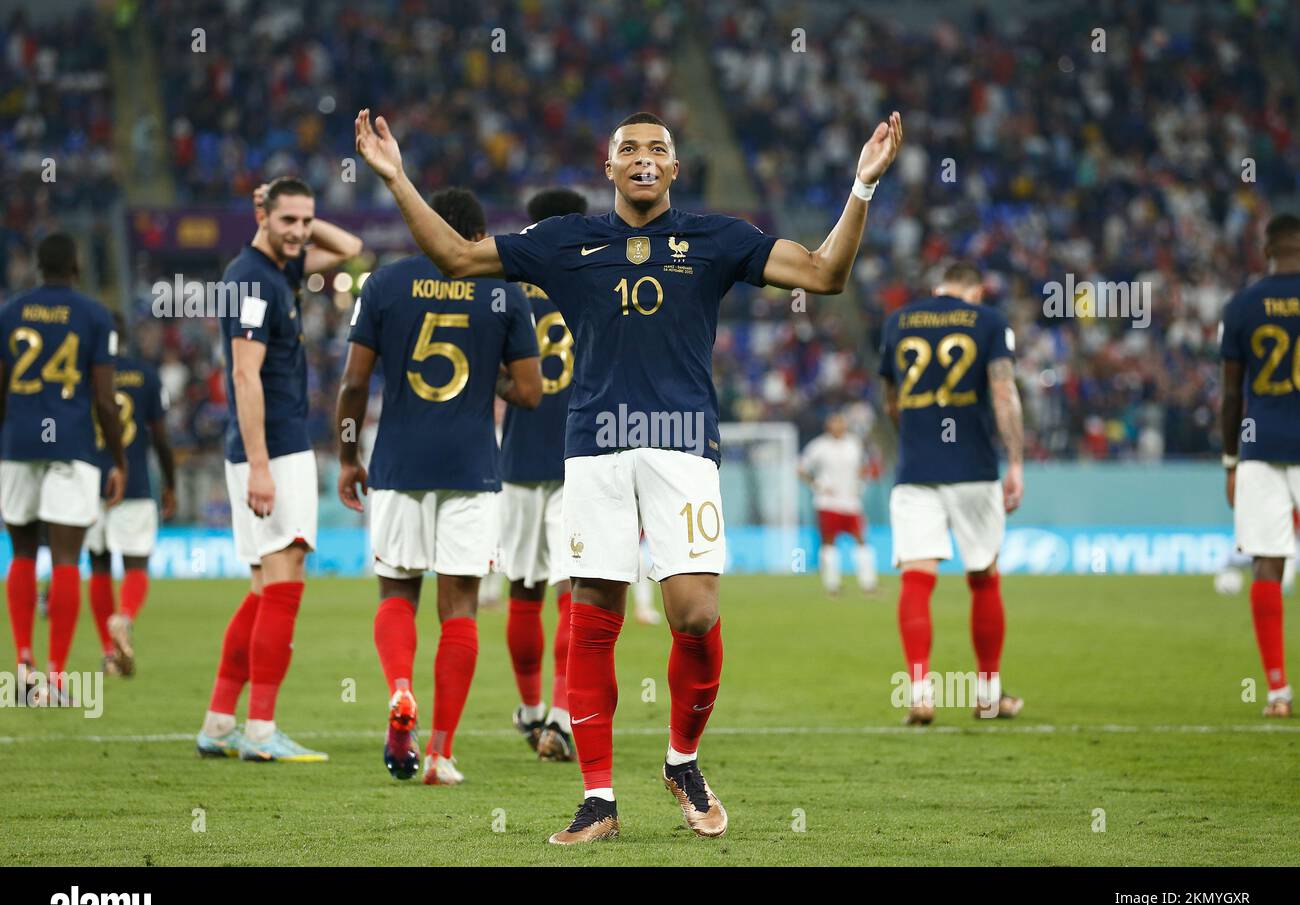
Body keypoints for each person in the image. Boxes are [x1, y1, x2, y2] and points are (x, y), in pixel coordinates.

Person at [355, 104, 902, 842]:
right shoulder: (565, 242)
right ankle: (598, 798)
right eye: (629, 148)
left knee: (696, 614)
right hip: (594, 450)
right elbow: (457, 258)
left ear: (675, 168)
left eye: (658, 148)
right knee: (593, 620)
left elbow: (825, 273)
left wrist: (862, 186)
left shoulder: (716, 238)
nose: (644, 156)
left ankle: (682, 760)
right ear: (608, 168)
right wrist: (395, 176)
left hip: (683, 450)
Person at [336, 187, 541, 784]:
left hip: (398, 462)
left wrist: (348, 454)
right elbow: (529, 391)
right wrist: (487, 382)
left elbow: (352, 385)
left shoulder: (383, 285)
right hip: (472, 466)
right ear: (478, 239)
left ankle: (401, 691)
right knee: (460, 610)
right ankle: (442, 754)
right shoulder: (503, 291)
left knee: (396, 591)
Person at [195, 177, 362, 761]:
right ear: (259, 214)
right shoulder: (250, 280)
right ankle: (261, 732)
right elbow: (243, 375)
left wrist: (296, 224)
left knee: (264, 587)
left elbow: (348, 245)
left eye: (304, 220)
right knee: (284, 582)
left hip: (270, 446)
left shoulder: (279, 269)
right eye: (286, 220)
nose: (298, 231)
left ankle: (219, 724)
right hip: (272, 449)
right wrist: (261, 466)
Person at [878, 262, 1025, 726]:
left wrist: (917, 438)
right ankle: (987, 695)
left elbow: (891, 400)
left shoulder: (898, 321)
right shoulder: (989, 322)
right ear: (975, 291)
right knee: (983, 573)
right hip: (974, 468)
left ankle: (920, 692)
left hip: (917, 469)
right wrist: (1016, 461)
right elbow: (1003, 393)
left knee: (917, 579)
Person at [0, 233, 125, 703]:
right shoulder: (94, 314)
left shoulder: (9, 312)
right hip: (72, 443)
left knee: (24, 553)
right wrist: (118, 459)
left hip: (17, 442)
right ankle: (55, 678)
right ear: (76, 265)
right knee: (68, 559)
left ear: (36, 265)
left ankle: (23, 663)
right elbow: (105, 400)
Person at [498, 187, 587, 762]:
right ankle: (560, 715)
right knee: (574, 592)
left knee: (523, 591)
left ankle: (531, 711)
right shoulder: (593, 280)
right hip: (583, 454)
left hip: (520, 458)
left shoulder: (505, 291)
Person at [1220, 213, 1300, 718]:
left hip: (1261, 444)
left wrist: (1229, 459)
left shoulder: (1244, 304)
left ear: (1266, 249)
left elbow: (1231, 394)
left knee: (1267, 564)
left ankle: (1276, 691)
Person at [85, 312, 177, 676]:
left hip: (89, 480)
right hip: (135, 479)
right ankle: (124, 617)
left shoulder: (83, 378)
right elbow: (161, 437)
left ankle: (109, 654)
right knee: (136, 564)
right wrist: (170, 482)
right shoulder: (146, 376)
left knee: (98, 564)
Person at [798, 411, 878, 595]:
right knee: (829, 542)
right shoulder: (819, 446)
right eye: (834, 423)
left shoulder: (854, 444)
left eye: (840, 422)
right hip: (828, 502)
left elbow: (864, 467)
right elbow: (801, 468)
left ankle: (868, 584)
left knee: (861, 540)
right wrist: (816, 485)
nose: (837, 426)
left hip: (851, 501)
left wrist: (861, 483)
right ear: (828, 426)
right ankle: (832, 585)